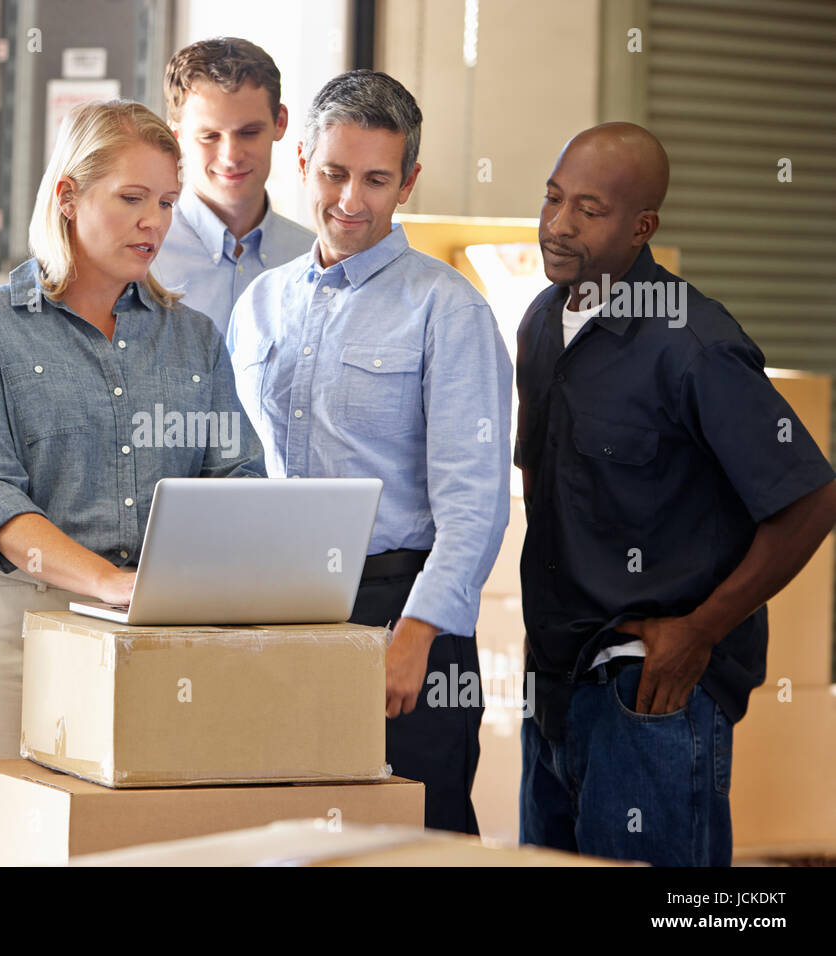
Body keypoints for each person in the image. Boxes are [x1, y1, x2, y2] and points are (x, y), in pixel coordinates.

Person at [515, 122, 836, 866]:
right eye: (552, 198)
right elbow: (542, 480)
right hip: (555, 684)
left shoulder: (692, 344)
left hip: (649, 693)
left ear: (641, 227)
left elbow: (810, 498)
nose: (558, 226)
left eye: (589, 210)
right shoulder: (540, 322)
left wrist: (699, 631)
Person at [0, 99, 265, 794]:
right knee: (24, 843)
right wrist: (111, 582)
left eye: (169, 202)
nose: (155, 222)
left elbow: (238, 473)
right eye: (132, 198)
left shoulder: (194, 338)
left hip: (151, 635)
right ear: (68, 196)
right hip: (13, 637)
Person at [228, 71, 511, 834]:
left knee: (418, 835)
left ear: (408, 182)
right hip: (283, 612)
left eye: (377, 179)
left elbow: (474, 504)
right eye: (334, 172)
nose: (351, 199)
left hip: (402, 613)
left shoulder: (449, 311)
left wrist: (414, 636)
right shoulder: (258, 305)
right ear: (302, 165)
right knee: (291, 833)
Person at [154, 37, 313, 334]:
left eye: (249, 132)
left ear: (280, 122)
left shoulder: (312, 260)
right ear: (176, 135)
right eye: (210, 136)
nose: (231, 157)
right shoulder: (142, 256)